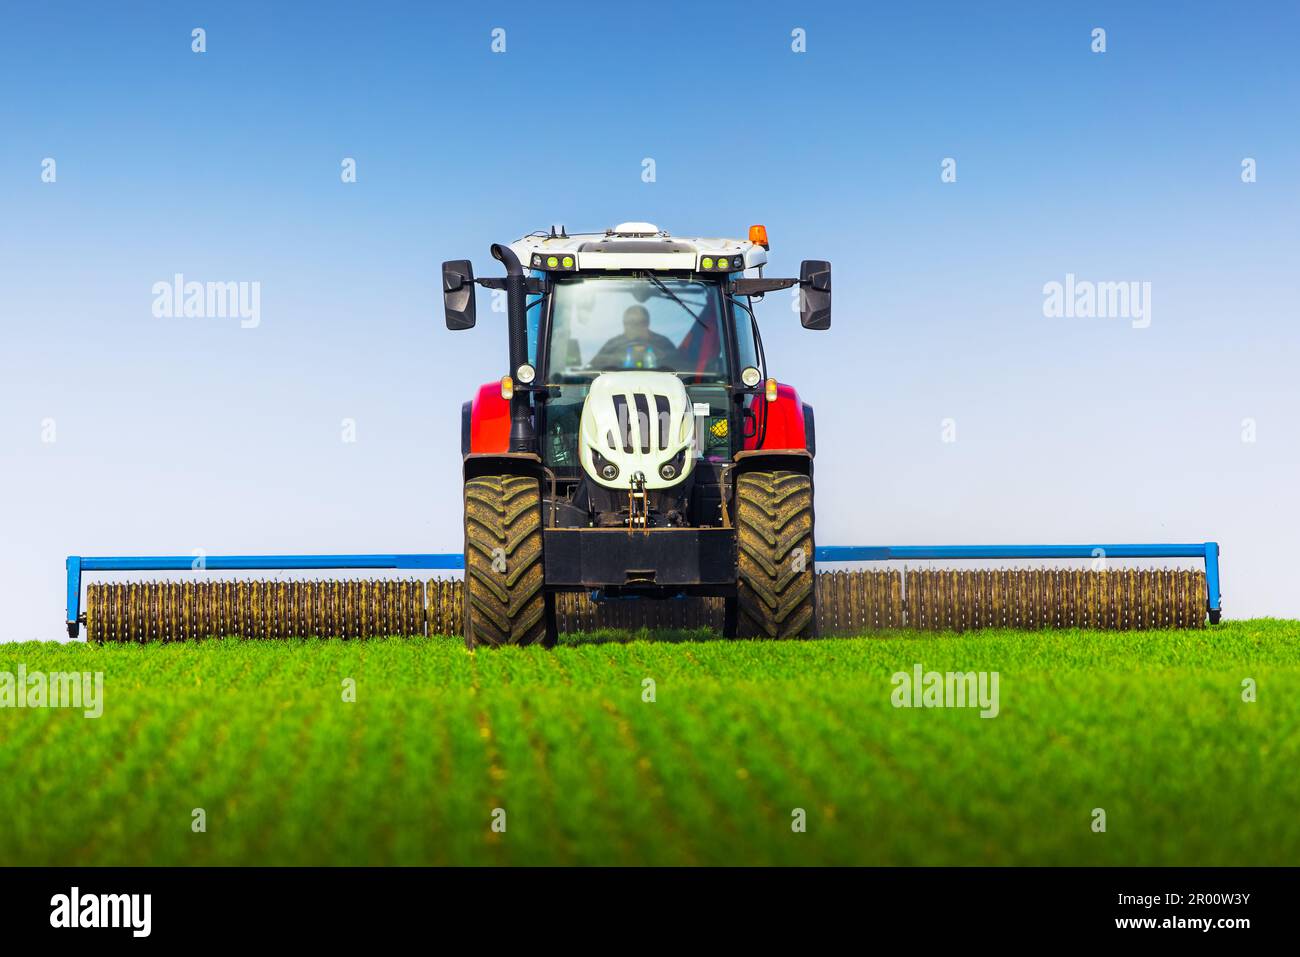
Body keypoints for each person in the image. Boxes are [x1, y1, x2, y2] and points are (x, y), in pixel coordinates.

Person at [590, 305, 683, 371]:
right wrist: (613, 360)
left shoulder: (663, 344)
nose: (634, 327)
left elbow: (681, 369)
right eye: (630, 322)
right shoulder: (612, 345)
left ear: (647, 323)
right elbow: (592, 370)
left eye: (640, 322)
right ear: (624, 324)